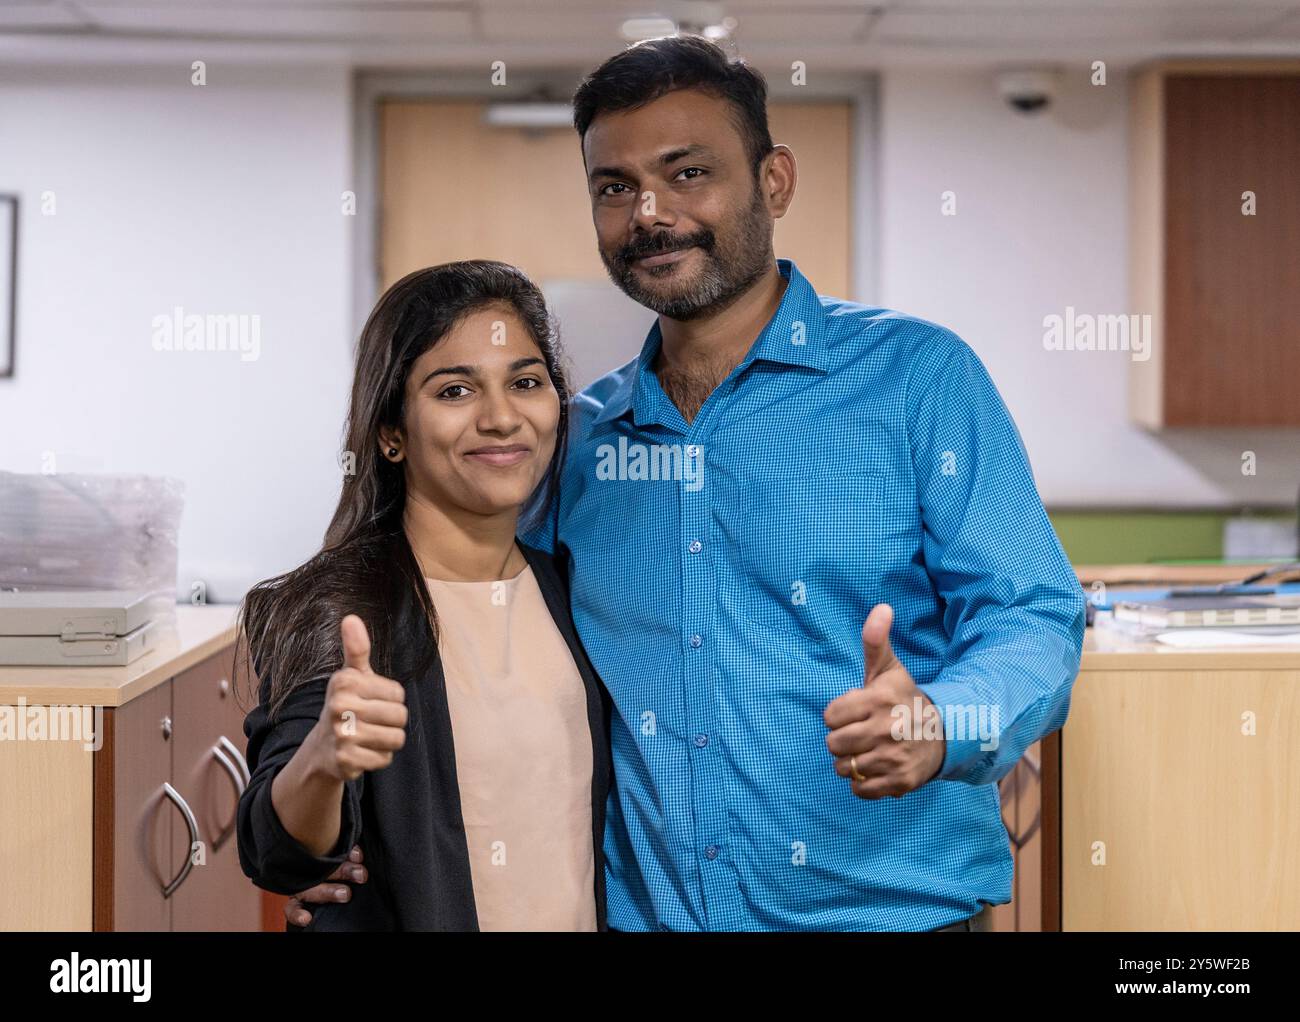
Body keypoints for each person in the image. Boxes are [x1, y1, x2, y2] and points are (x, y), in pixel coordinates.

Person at [289, 34, 1087, 932]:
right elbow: (485, 637)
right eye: (615, 187)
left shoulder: (918, 380)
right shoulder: (580, 438)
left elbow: (1033, 614)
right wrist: (361, 836)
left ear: (774, 182)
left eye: (688, 172)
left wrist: (940, 723)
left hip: (890, 913)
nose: (650, 213)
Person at [235, 260, 611, 931]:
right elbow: (275, 851)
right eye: (454, 391)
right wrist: (322, 759)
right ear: (391, 433)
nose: (501, 418)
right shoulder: (342, 605)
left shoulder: (570, 588)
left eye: (525, 382)